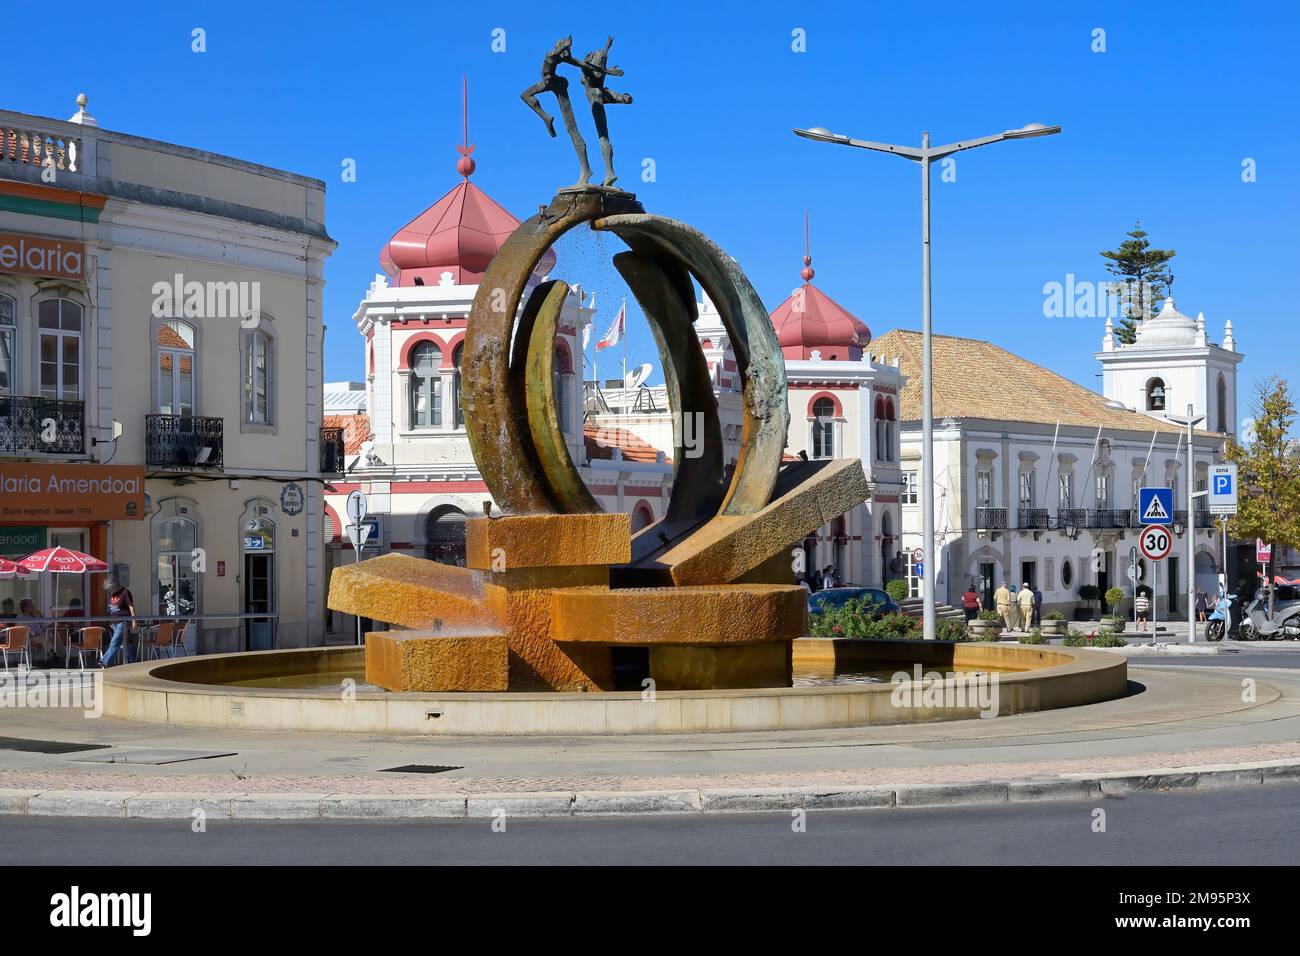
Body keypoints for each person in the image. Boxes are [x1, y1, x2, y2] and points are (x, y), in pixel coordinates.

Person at [101, 575, 136, 667]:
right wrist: (110, 621)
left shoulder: (125, 592)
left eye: (111, 588)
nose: (110, 590)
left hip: (123, 621)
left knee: (114, 642)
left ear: (115, 585)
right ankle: (133, 662)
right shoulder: (113, 594)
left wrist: (133, 620)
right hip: (114, 623)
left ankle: (104, 661)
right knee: (124, 644)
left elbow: (131, 607)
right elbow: (112, 608)